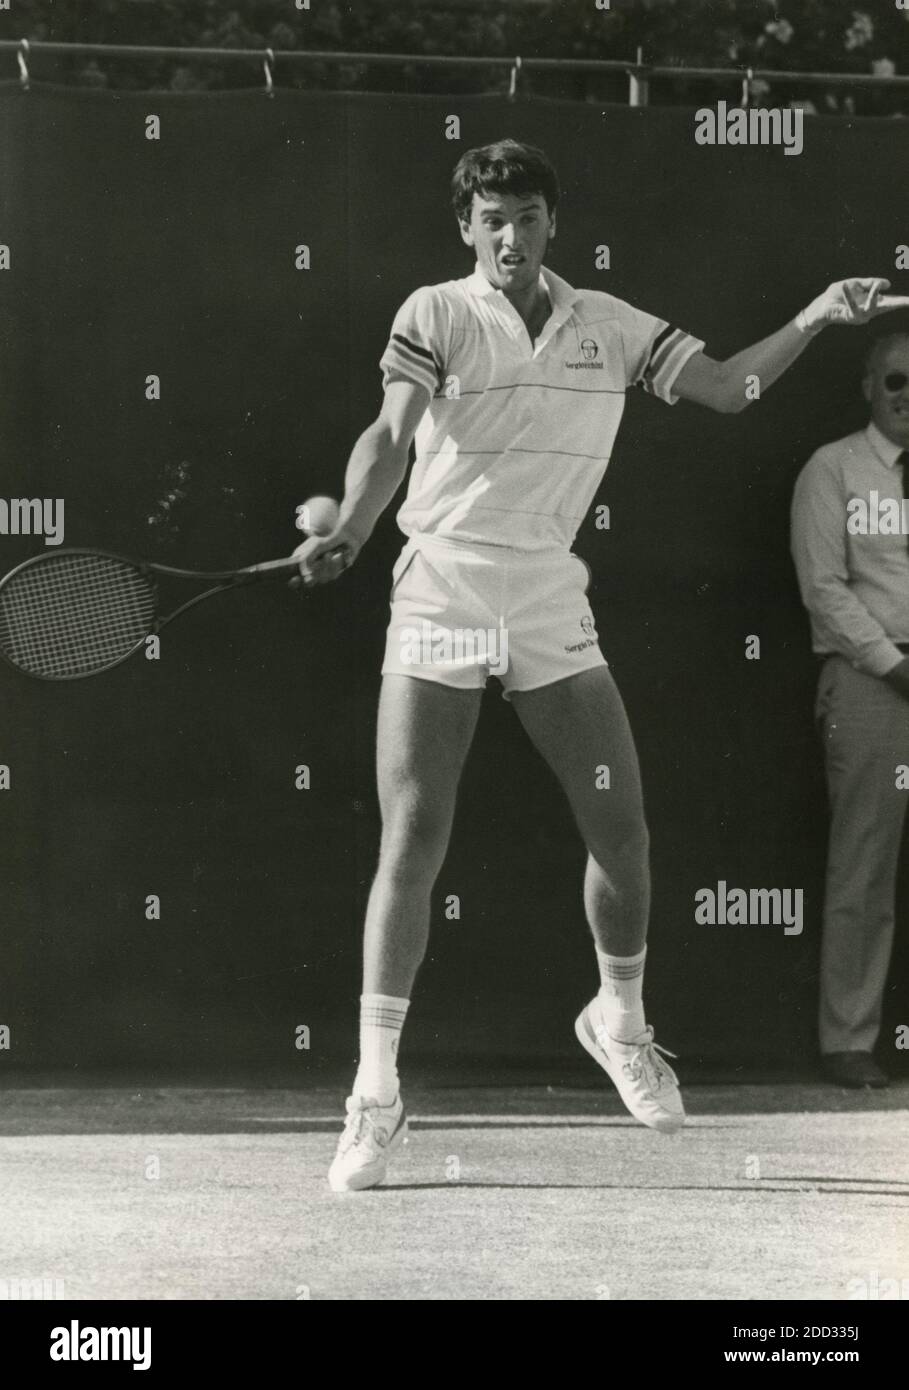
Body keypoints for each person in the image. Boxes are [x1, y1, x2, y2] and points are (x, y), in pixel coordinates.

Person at [295, 139, 908, 1189]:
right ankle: (375, 1092)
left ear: (552, 226)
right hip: (441, 584)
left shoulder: (610, 325)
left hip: (545, 594)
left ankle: (617, 1016)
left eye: (528, 218)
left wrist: (814, 315)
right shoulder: (433, 314)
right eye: (492, 219)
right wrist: (352, 524)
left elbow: (726, 389)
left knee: (620, 828)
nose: (511, 238)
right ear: (465, 227)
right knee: (415, 832)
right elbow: (389, 433)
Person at [791, 331, 909, 1089]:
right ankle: (848, 1039)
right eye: (895, 380)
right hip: (875, 684)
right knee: (864, 866)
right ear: (869, 384)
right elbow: (824, 591)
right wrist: (897, 666)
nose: (907, 395)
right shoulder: (832, 470)